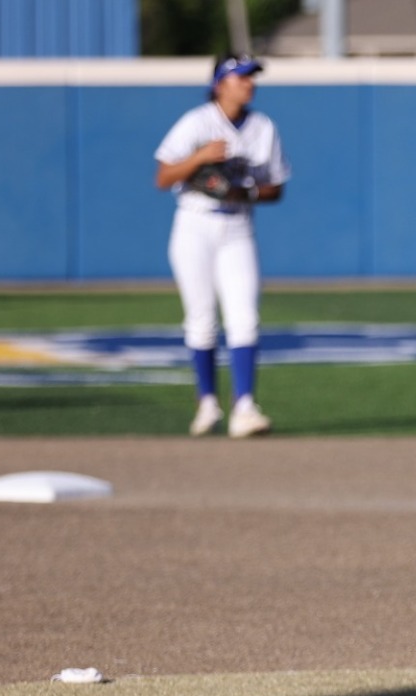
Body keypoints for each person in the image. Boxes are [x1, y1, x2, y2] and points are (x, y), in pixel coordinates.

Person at [153, 54, 290, 438]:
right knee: (201, 319)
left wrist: (242, 189)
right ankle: (207, 404)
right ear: (220, 84)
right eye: (241, 77)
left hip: (237, 226)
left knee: (244, 316)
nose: (249, 83)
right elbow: (163, 176)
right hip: (194, 224)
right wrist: (199, 158)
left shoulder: (263, 127)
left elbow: (276, 187)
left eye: (251, 77)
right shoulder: (197, 122)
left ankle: (244, 407)